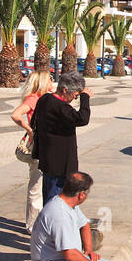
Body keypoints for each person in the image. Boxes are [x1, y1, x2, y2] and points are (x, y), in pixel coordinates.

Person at [32, 72, 91, 204]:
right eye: (75, 95)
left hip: (48, 159)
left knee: (51, 197)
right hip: (60, 164)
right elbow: (82, 118)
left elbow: (33, 121)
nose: (75, 99)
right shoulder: (60, 107)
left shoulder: (45, 99)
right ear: (64, 90)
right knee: (55, 200)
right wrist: (85, 98)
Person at [10, 70, 55, 231]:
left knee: (42, 183)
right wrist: (29, 130)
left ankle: (39, 221)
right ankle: (32, 224)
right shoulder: (34, 99)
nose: (52, 81)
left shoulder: (44, 98)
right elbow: (16, 114)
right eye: (50, 79)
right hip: (38, 145)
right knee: (36, 184)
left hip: (46, 144)